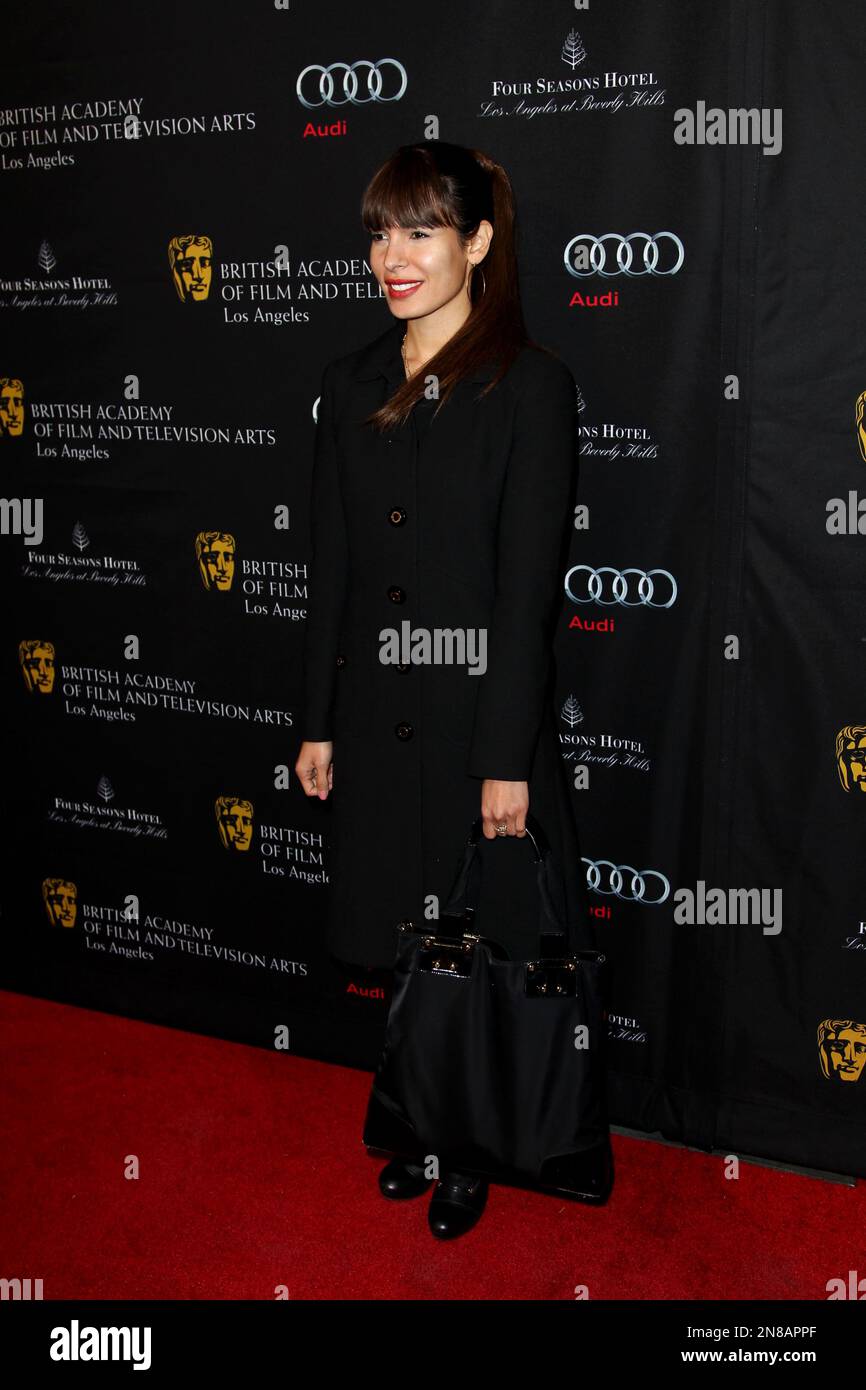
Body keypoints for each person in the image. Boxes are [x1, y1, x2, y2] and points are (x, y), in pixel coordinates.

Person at [295, 140, 596, 1239]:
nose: (392, 254)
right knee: (400, 943)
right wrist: (315, 721)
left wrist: (505, 755)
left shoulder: (532, 387)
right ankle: (417, 1124)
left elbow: (529, 596)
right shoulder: (348, 381)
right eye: (380, 230)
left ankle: (468, 1149)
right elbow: (331, 566)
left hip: (479, 724)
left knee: (480, 947)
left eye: (419, 229)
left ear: (475, 242)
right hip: (376, 721)